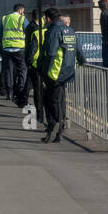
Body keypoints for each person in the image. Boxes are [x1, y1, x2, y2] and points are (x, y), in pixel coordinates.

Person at [39, 8, 84, 143]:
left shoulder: (54, 31)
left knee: (50, 100)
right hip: (68, 70)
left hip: (55, 72)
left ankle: (55, 126)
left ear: (47, 18)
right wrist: (83, 62)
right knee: (59, 99)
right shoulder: (70, 30)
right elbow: (78, 49)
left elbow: (51, 53)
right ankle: (58, 128)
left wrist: (44, 70)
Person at [0, 3, 27, 101]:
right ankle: (20, 90)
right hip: (20, 48)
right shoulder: (22, 19)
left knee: (8, 71)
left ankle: (9, 92)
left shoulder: (4, 18)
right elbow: (28, 31)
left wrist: (4, 41)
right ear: (21, 10)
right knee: (22, 70)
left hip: (6, 48)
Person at [21, 10, 47, 124]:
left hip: (33, 62)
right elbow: (34, 48)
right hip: (38, 63)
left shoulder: (29, 26)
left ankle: (23, 99)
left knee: (31, 82)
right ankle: (40, 115)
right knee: (38, 89)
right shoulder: (37, 30)